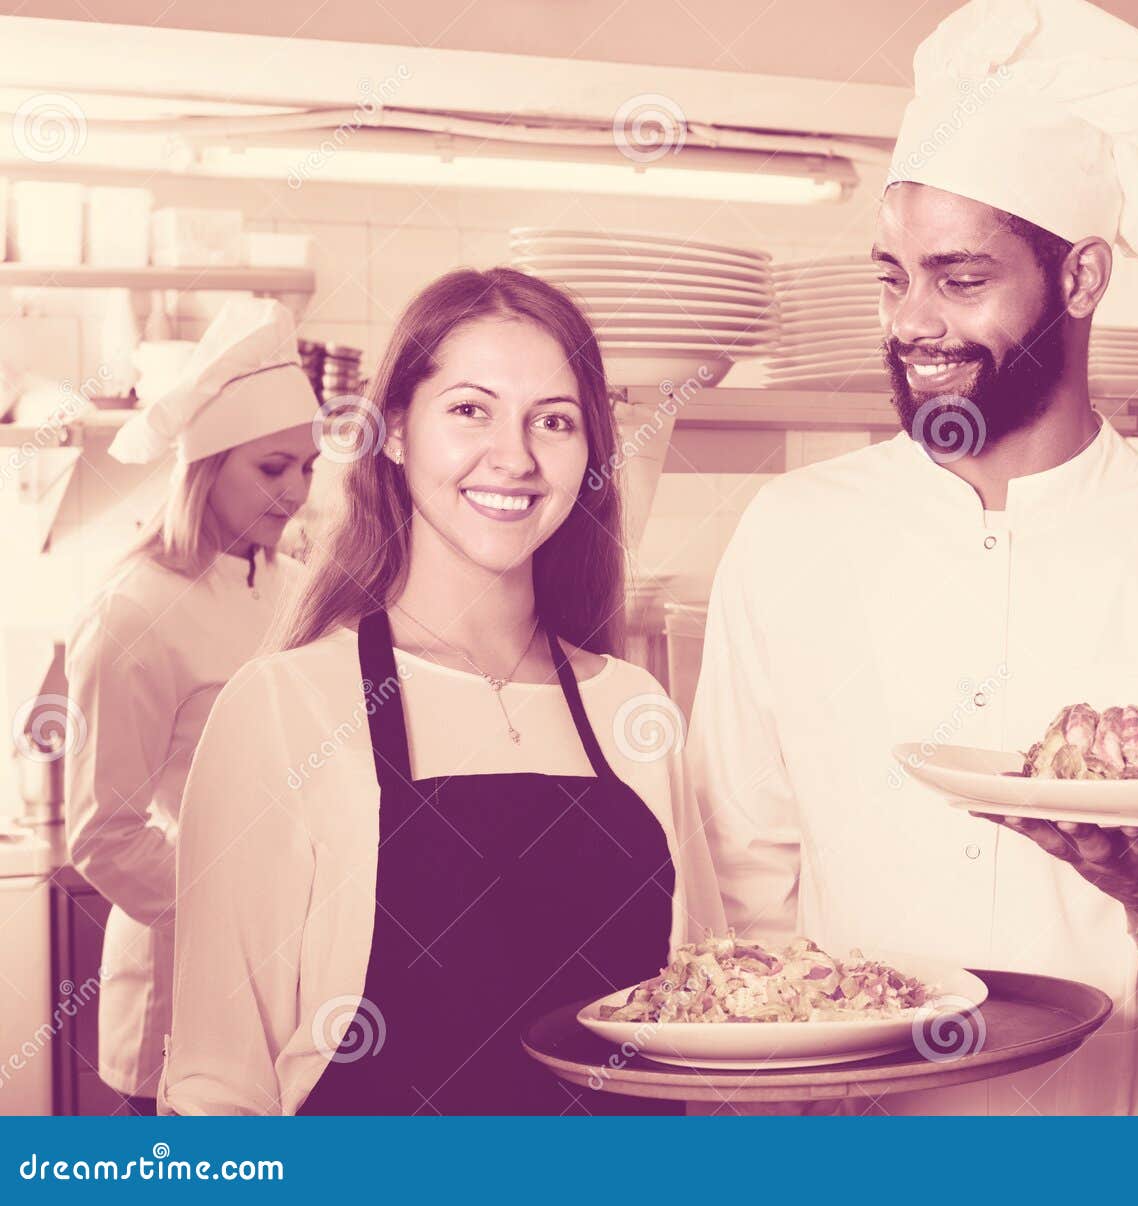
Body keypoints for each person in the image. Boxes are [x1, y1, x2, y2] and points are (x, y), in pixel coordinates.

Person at [689, 0, 1138, 1115]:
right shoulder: (791, 532)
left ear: (1081, 279)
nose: (911, 321)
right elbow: (739, 879)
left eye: (959, 278)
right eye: (890, 276)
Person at [158, 268, 724, 1116]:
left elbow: (709, 1024)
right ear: (393, 432)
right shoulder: (286, 707)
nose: (515, 457)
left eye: (554, 420)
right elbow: (217, 1085)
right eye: (470, 409)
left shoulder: (634, 710)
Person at [64, 298, 319, 1113]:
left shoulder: (290, 587)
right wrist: (238, 905)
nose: (296, 491)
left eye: (308, 467)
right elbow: (102, 835)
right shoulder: (134, 613)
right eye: (273, 468)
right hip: (180, 986)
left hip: (288, 980)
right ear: (206, 466)